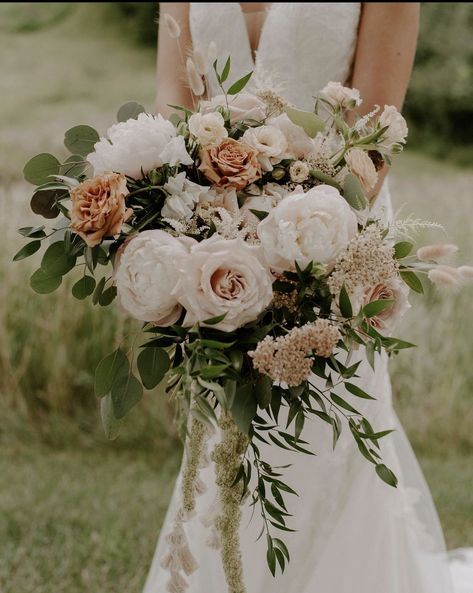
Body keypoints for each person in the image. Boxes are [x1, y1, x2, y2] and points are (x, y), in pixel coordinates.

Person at [144, 4, 473, 592]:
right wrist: (198, 233)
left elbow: (375, 135)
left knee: (331, 439)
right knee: (226, 437)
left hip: (335, 247)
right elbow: (174, 103)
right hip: (215, 255)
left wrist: (289, 244)